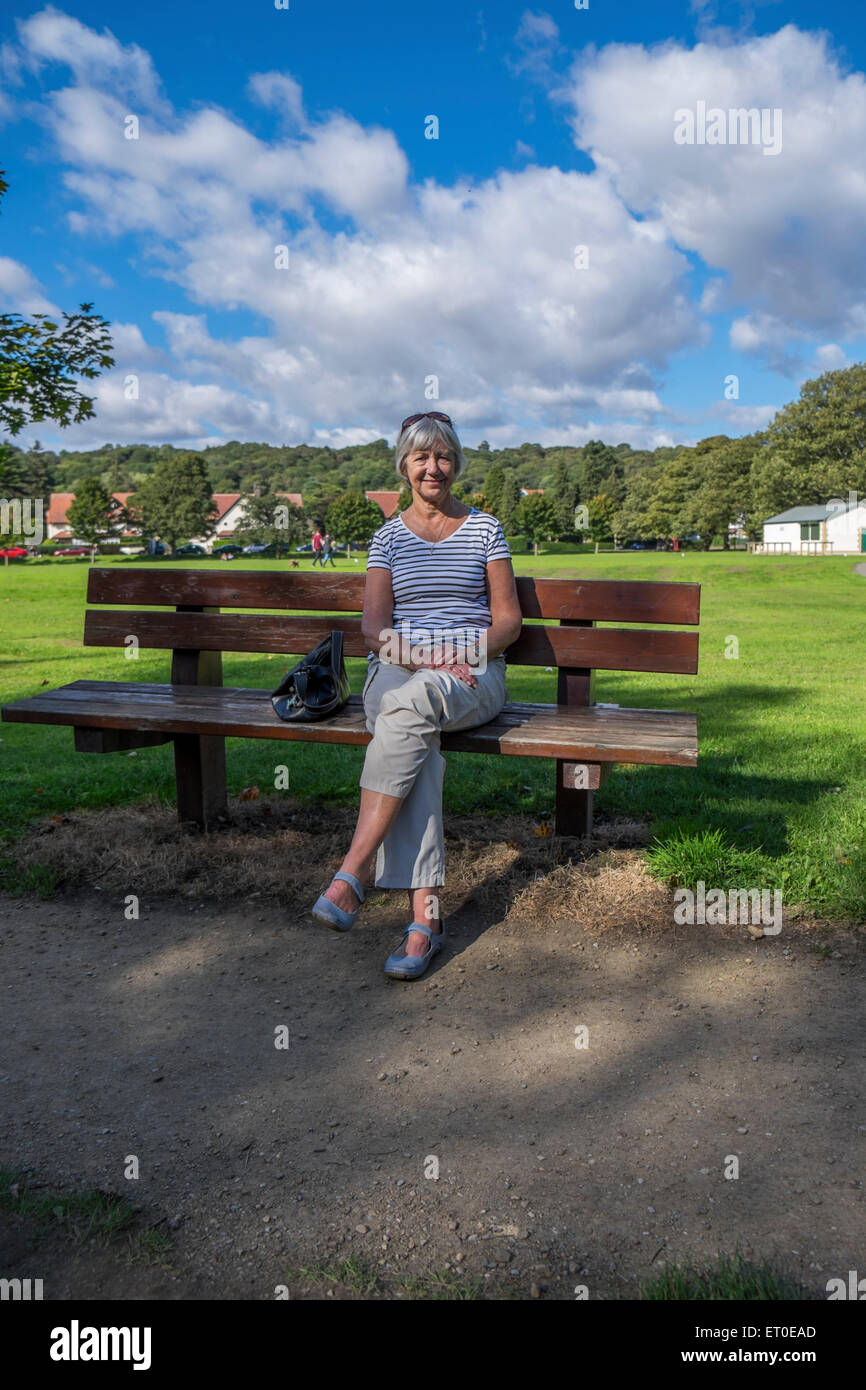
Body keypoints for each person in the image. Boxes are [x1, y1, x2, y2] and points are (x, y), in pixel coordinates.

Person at [311, 412, 523, 980]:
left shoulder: (485, 529)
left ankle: (352, 872)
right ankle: (423, 921)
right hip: (402, 671)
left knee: (411, 714)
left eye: (444, 456)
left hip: (473, 677)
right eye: (422, 458)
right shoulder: (387, 538)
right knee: (412, 730)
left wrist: (467, 655)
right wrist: (428, 657)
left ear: (456, 463)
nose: (434, 468)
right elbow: (374, 629)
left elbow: (508, 622)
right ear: (404, 467)